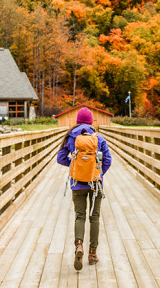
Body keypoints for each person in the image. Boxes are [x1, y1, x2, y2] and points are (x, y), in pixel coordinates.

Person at [56, 107, 112, 271]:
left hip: (77, 183)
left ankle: (78, 245)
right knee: (94, 217)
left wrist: (74, 167)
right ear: (91, 122)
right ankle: (92, 254)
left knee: (79, 216)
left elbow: (60, 158)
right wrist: (98, 173)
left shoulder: (70, 136)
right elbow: (108, 160)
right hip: (95, 183)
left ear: (77, 121)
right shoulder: (98, 138)